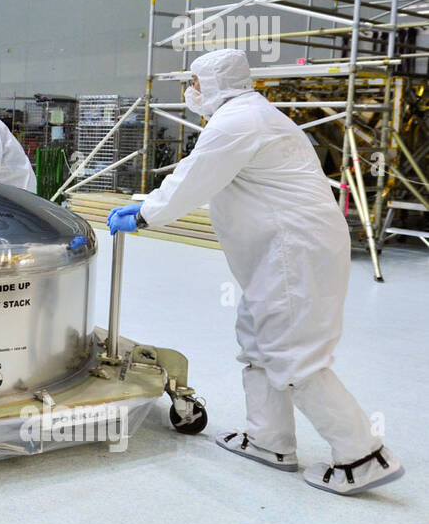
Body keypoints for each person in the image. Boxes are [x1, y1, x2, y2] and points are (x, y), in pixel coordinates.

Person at [108, 48, 404, 496]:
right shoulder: (253, 116)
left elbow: (195, 177)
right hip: (280, 254)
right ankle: (270, 440)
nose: (190, 91)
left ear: (217, 83)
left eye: (196, 83)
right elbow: (207, 176)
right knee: (258, 342)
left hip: (293, 254)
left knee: (294, 356)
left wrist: (148, 213)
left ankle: (362, 456)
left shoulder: (237, 122)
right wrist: (149, 204)